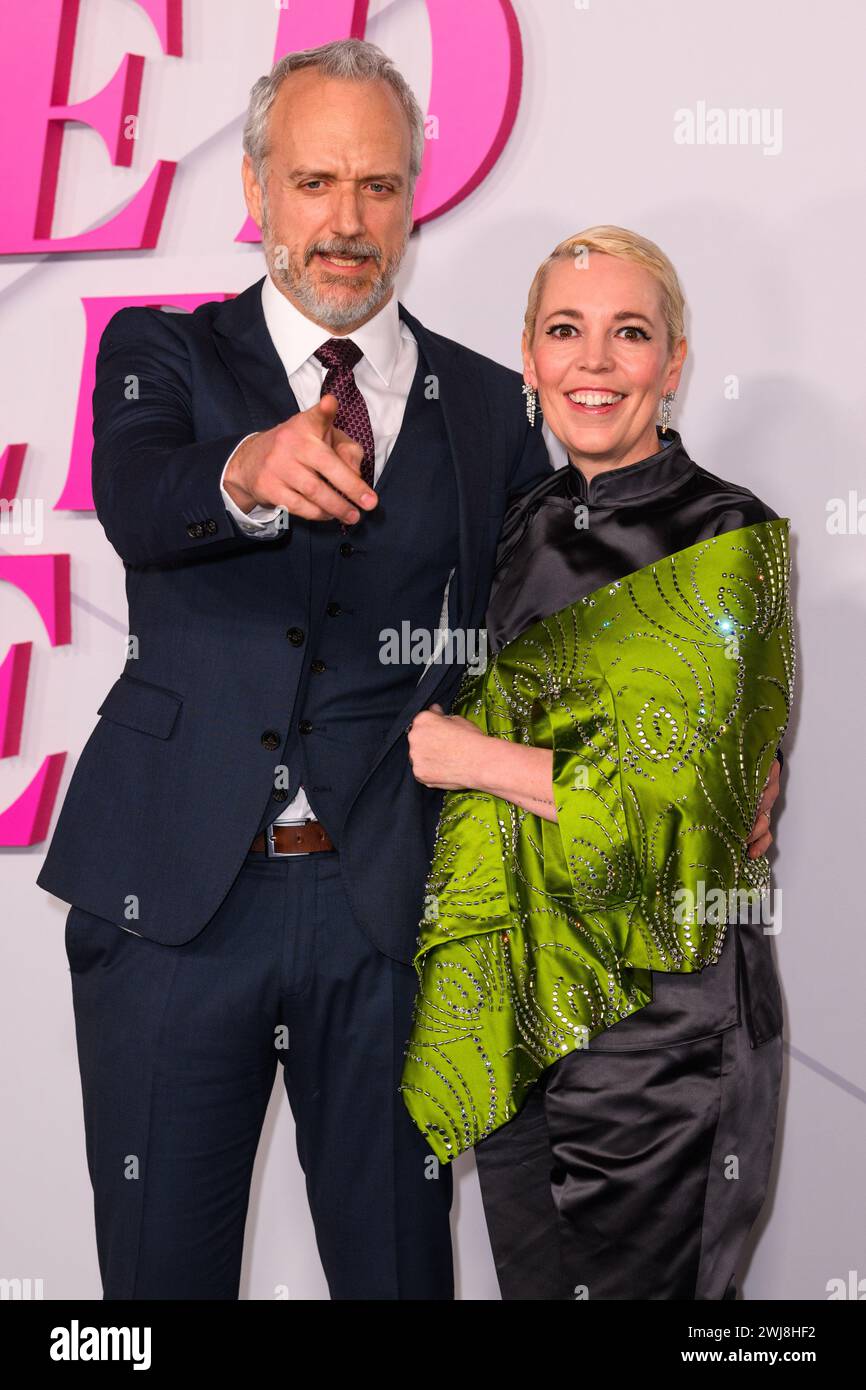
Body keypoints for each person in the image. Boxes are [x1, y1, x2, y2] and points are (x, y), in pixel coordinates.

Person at [35, 39, 554, 1300]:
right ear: (258, 191)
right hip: (172, 906)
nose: (345, 220)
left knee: (396, 1278)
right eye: (314, 182)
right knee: (158, 1290)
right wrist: (248, 470)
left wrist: (698, 721)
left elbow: (555, 623)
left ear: (414, 199)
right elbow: (141, 493)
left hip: (387, 917)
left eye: (377, 186)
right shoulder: (162, 354)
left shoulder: (486, 406)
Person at [403, 226, 791, 1300]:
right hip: (519, 1029)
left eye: (629, 334)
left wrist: (472, 757)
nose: (593, 361)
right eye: (564, 331)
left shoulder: (725, 532)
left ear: (672, 363)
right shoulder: (511, 524)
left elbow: (690, 816)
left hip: (661, 1044)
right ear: (527, 358)